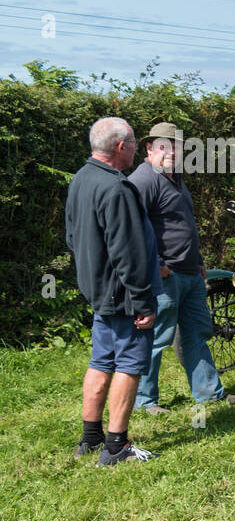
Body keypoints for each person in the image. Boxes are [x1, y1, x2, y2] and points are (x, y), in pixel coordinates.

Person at [128, 122, 235, 413]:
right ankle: (145, 401)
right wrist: (156, 265)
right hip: (164, 276)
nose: (170, 151)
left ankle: (210, 393)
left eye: (176, 145)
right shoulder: (143, 180)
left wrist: (200, 263)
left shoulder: (176, 177)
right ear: (149, 148)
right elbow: (131, 229)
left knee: (197, 333)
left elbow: (184, 225)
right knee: (156, 338)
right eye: (163, 146)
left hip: (190, 273)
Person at [65, 118, 161, 466]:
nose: (137, 148)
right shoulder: (117, 188)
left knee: (100, 361)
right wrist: (143, 300)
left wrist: (94, 279)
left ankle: (90, 439)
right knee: (130, 364)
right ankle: (116, 447)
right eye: (135, 142)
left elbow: (72, 239)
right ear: (121, 146)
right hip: (123, 297)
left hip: (99, 293)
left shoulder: (81, 178)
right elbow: (128, 253)